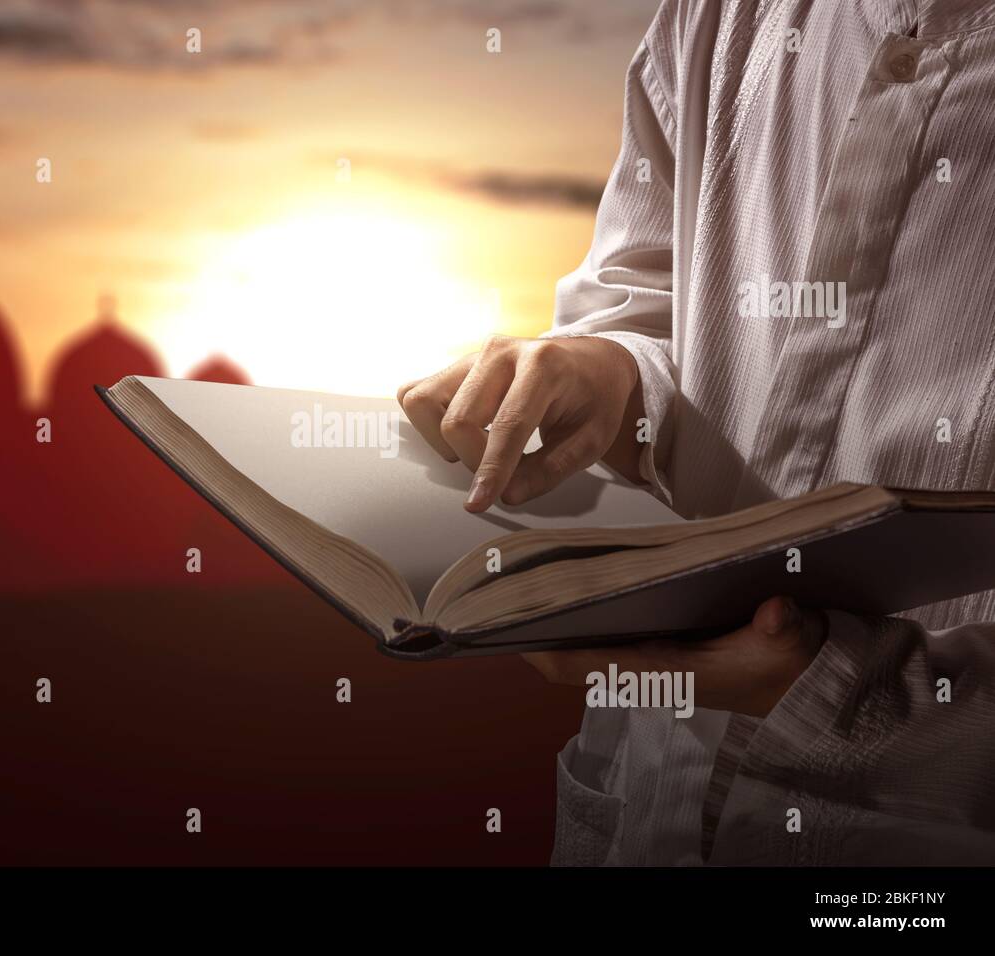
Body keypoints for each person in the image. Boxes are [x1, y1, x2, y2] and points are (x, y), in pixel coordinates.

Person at [398, 0, 995, 865]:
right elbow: (652, 302)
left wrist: (858, 698)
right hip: (641, 811)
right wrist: (613, 373)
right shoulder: (713, 14)